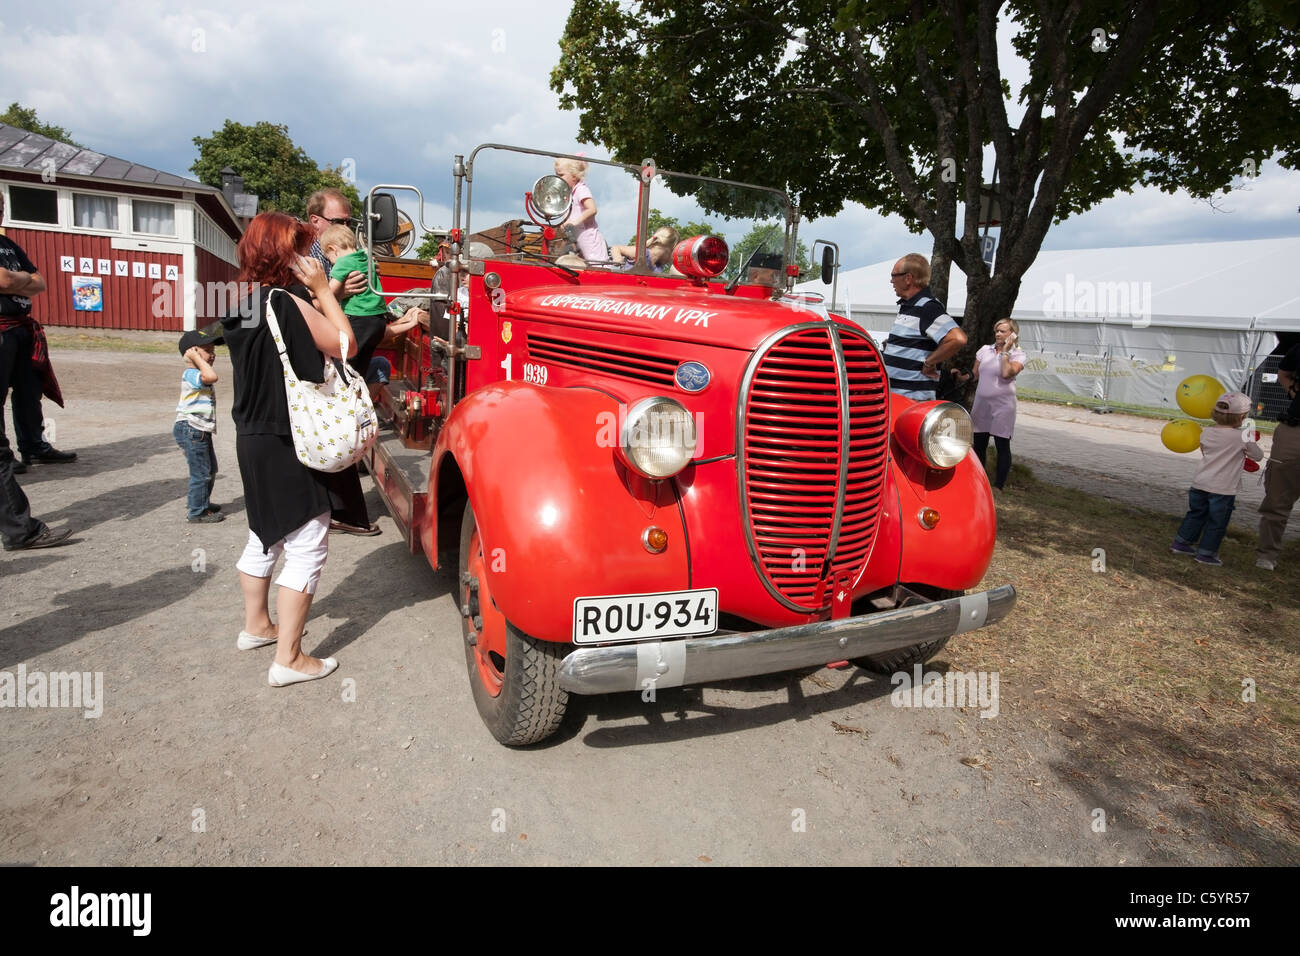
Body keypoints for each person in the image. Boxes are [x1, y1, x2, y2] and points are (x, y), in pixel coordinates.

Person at [219, 212, 356, 686]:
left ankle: (256, 626)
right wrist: (322, 289)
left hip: (250, 435)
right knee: (308, 540)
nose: (310, 256)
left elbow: (202, 340)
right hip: (285, 436)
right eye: (302, 247)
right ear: (285, 253)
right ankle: (290, 659)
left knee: (264, 532)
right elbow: (346, 343)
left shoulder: (241, 303)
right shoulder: (286, 301)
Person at [301, 189, 380, 537]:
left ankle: (344, 511)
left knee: (336, 416)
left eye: (350, 221)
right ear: (316, 221)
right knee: (329, 417)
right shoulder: (302, 255)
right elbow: (298, 303)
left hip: (334, 342)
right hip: (313, 345)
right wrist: (337, 294)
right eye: (340, 221)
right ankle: (335, 507)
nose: (348, 226)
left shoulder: (344, 257)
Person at [0, 191, 76, 475]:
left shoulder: (8, 245)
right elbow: (4, 278)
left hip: (21, 327)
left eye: (2, 205)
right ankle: (3, 458)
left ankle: (33, 445)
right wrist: (20, 280)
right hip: (1, 328)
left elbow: (39, 282)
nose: (0, 210)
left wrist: (14, 282)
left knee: (29, 390)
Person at [1170, 391, 1263, 566]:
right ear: (1242, 417)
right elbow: (1257, 455)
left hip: (1200, 482)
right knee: (1217, 521)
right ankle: (1206, 553)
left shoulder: (1206, 432)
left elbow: (1205, 451)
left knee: (1196, 514)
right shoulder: (1241, 437)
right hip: (1223, 488)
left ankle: (1181, 543)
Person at [954, 318, 1026, 490]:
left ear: (1013, 334)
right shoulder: (985, 350)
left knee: (1002, 444)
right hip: (982, 404)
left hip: (1003, 405)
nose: (998, 334)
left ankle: (998, 485)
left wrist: (1006, 352)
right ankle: (979, 481)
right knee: (979, 444)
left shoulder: (1019, 355)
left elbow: (1006, 373)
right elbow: (975, 374)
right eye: (997, 331)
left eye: (1003, 331)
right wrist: (961, 377)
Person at [883, 252, 967, 400]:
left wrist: (930, 362)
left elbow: (957, 338)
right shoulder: (910, 306)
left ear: (908, 278)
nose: (891, 281)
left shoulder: (927, 307)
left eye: (894, 275)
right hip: (897, 396)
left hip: (912, 399)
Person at [319, 223, 389, 379]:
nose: (331, 262)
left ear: (333, 249)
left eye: (329, 258)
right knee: (360, 367)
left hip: (359, 319)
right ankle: (357, 393)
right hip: (378, 321)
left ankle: (343, 394)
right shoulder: (366, 258)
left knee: (343, 363)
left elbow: (328, 292)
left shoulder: (343, 263)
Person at [1256, 344, 1300, 570]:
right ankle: (1267, 555)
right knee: (1277, 497)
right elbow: (1284, 373)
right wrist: (1294, 392)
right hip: (1294, 430)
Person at [174, 329, 223, 523]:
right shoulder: (191, 373)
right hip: (191, 429)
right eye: (207, 350)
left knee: (210, 470)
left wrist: (199, 356)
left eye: (213, 350)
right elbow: (211, 377)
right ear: (192, 352)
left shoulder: (197, 372)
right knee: (201, 472)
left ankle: (201, 502)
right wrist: (194, 357)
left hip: (199, 430)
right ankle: (197, 512)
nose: (212, 354)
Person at [554, 157, 609, 263]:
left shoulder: (581, 190)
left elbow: (592, 209)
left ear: (574, 176)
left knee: (597, 266)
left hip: (589, 239)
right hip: (577, 239)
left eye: (561, 175)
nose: (558, 178)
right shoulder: (570, 194)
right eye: (557, 175)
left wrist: (574, 222)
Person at [610, 226, 678, 272]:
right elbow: (616, 248)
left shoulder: (658, 266)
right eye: (673, 251)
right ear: (667, 248)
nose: (673, 257)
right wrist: (617, 259)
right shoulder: (642, 253)